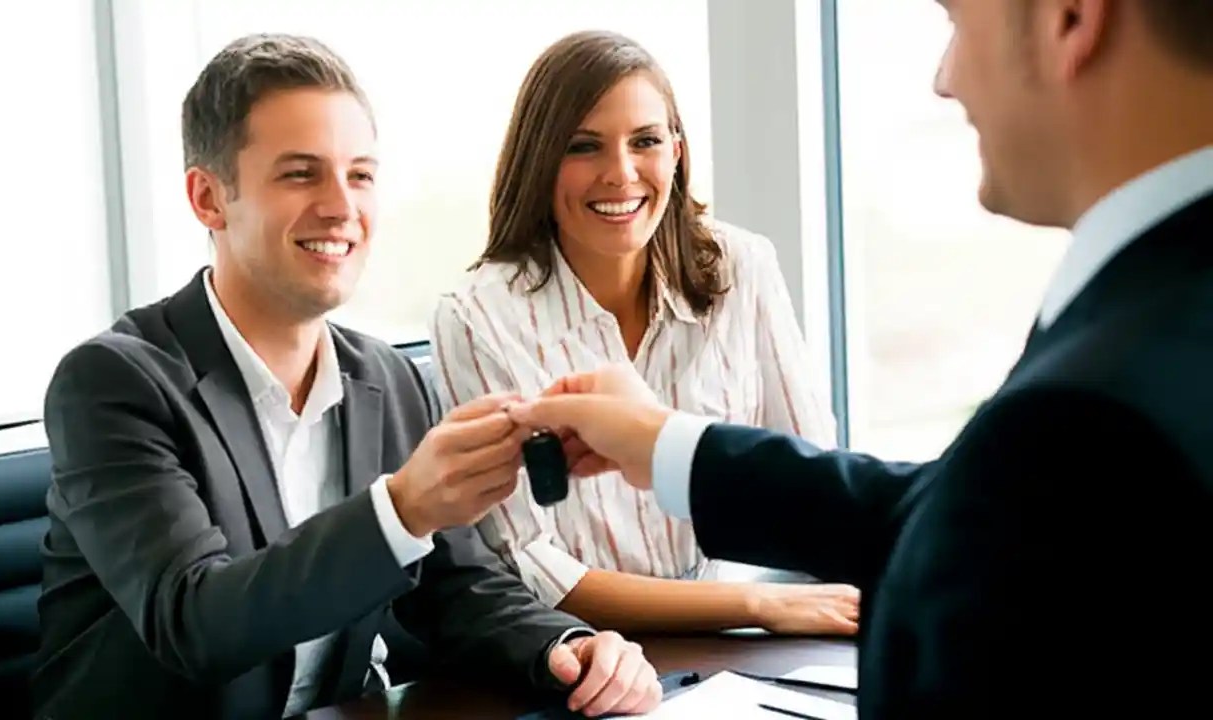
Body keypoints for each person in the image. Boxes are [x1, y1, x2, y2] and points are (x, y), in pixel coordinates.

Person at [504, 1, 1213, 716]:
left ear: (1070, 18)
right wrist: (669, 446)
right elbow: (951, 511)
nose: (945, 79)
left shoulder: (1090, 413)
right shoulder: (1151, 331)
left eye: (957, 23)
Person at [32, 33, 661, 720]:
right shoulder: (112, 383)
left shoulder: (384, 378)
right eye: (301, 174)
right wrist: (404, 508)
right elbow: (194, 622)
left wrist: (570, 648)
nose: (341, 207)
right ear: (208, 198)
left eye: (360, 175)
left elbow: (457, 588)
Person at [430, 29, 859, 637]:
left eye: (645, 141)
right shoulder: (478, 317)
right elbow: (533, 567)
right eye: (584, 147)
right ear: (540, 161)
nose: (621, 173)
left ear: (676, 152)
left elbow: (816, 485)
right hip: (586, 652)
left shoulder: (742, 266)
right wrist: (754, 606)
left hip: (745, 645)